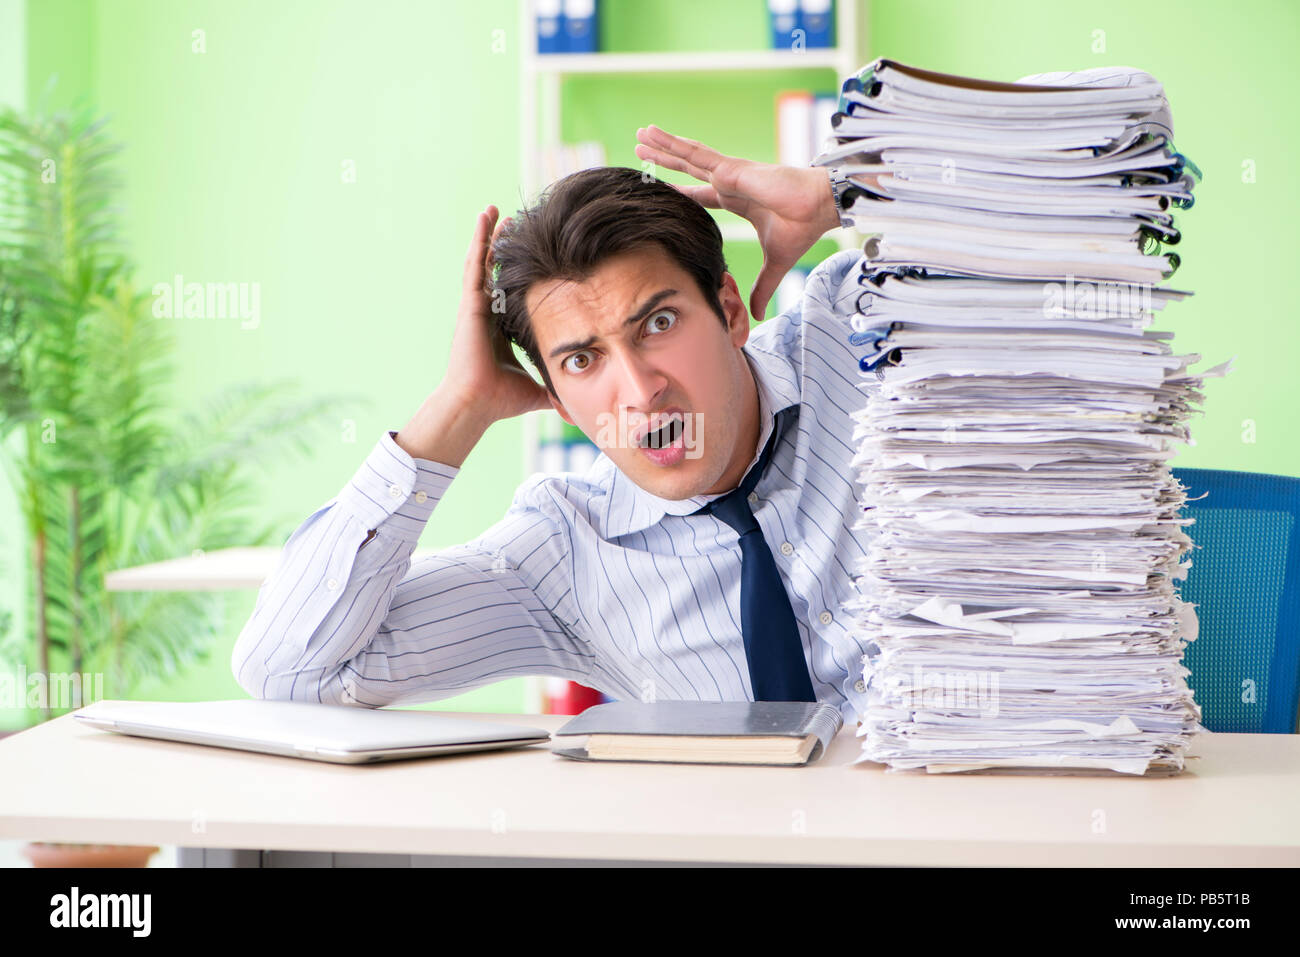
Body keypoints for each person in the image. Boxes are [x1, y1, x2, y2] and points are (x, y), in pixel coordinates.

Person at [231, 125, 877, 722]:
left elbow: (978, 264)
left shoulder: (857, 334)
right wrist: (459, 408)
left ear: (731, 310)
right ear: (559, 401)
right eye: (582, 359)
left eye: (658, 323)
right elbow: (290, 667)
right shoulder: (567, 553)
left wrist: (841, 193)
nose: (641, 391)